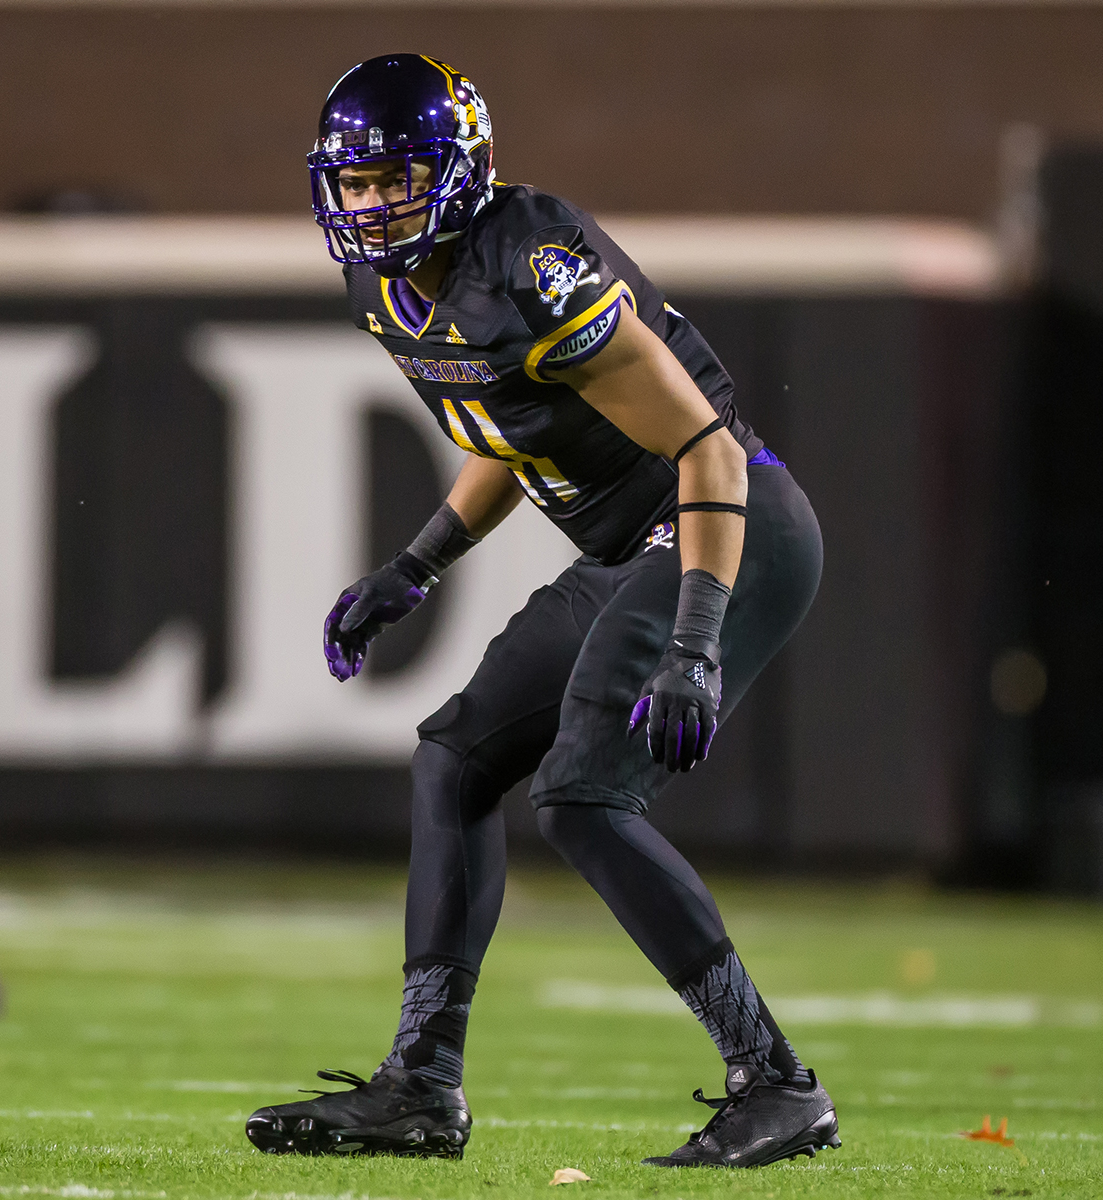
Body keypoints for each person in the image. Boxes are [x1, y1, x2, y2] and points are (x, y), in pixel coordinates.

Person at [244, 55, 833, 1168]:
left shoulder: (535, 267)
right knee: (453, 757)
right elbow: (511, 436)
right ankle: (422, 1084)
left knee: (581, 794)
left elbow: (707, 445)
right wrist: (414, 566)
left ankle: (778, 1084)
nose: (371, 205)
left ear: (463, 169)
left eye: (397, 179)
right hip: (629, 548)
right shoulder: (387, 285)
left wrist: (697, 639)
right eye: (354, 184)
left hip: (727, 527)